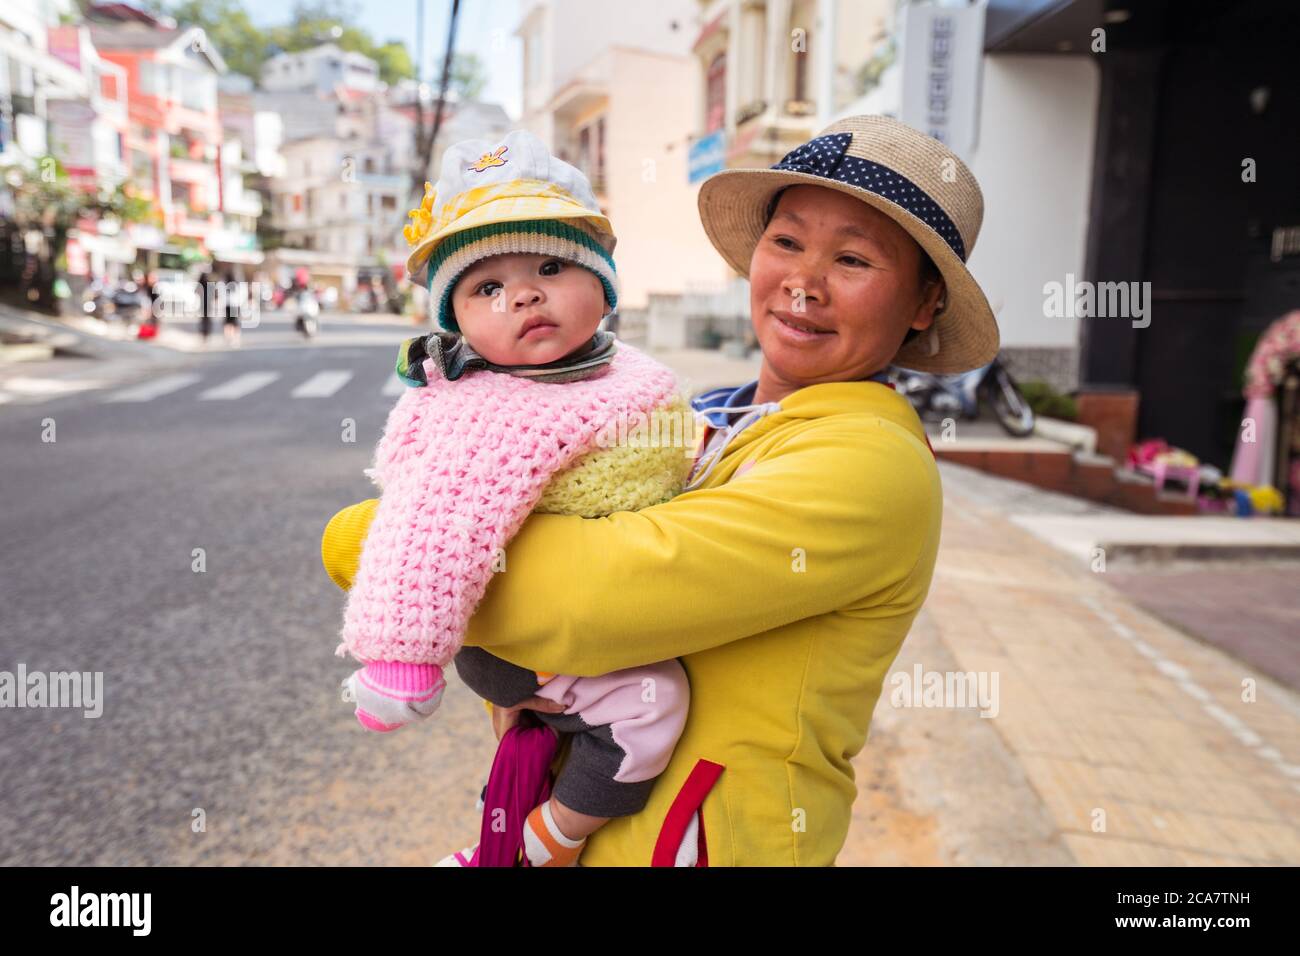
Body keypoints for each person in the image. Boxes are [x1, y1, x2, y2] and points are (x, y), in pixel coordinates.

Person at [322, 115, 1001, 866]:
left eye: (852, 259)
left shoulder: (870, 463)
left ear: (923, 304)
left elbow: (590, 601)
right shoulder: (697, 419)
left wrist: (373, 538)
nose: (803, 283)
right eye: (786, 243)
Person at [333, 129, 695, 867]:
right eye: (487, 287)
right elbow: (429, 528)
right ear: (457, 320)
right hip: (511, 638)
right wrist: (401, 658)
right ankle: (547, 841)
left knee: (544, 742)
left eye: (552, 266)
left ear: (603, 284)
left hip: (575, 612)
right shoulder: (494, 411)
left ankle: (501, 827)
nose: (523, 293)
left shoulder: (617, 369)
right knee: (650, 706)